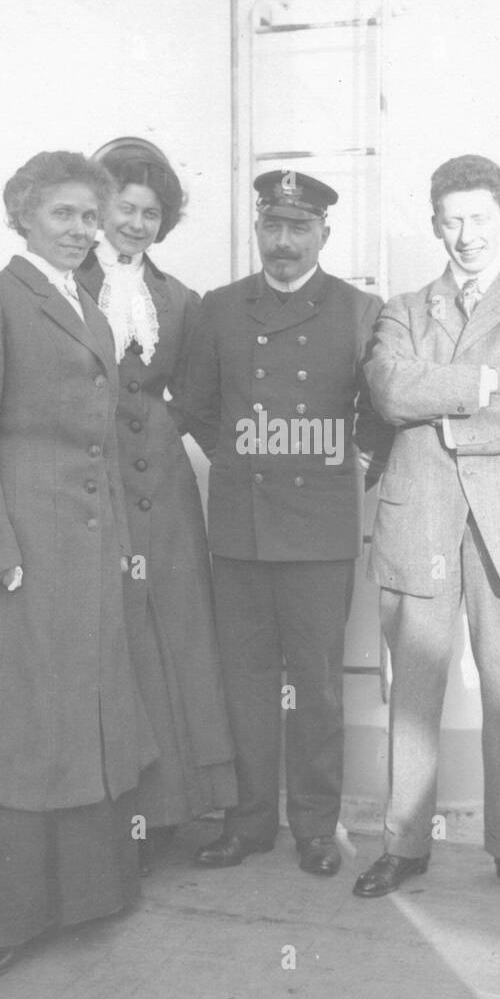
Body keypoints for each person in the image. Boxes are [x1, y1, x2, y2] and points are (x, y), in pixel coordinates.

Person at [0, 151, 158, 981]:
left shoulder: (86, 307)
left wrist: (117, 542)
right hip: (16, 555)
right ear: (23, 216)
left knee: (69, 726)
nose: (84, 230)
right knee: (5, 737)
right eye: (65, 215)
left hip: (82, 558)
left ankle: (74, 901)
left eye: (92, 215)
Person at [354, 154, 500, 907]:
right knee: (412, 691)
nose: (466, 235)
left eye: (480, 217)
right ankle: (402, 846)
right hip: (418, 519)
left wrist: (440, 414)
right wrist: (483, 387)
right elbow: (386, 388)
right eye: (452, 220)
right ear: (434, 224)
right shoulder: (403, 309)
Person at [183, 169, 391, 876]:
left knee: (316, 683)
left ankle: (312, 824)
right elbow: (199, 407)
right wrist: (247, 459)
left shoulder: (360, 312)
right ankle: (247, 823)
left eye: (298, 228)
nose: (282, 242)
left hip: (319, 528)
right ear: (257, 230)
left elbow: (381, 414)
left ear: (323, 234)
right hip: (241, 525)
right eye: (271, 226)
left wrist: (334, 457)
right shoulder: (217, 308)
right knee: (242, 678)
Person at [76, 137, 235, 860]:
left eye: (151, 212)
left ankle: (177, 807)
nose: (136, 223)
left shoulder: (180, 301)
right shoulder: (60, 281)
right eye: (124, 207)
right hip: (88, 478)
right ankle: (109, 818)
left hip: (162, 486)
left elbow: (202, 401)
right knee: (106, 632)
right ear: (99, 207)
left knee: (174, 631)